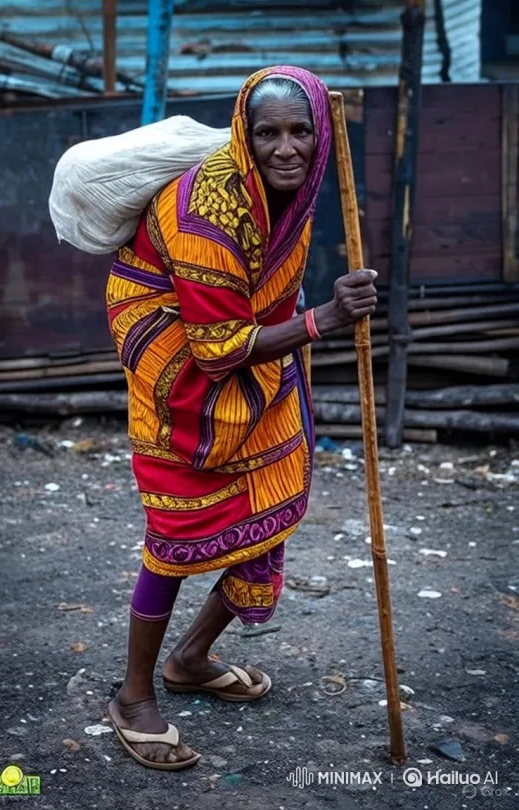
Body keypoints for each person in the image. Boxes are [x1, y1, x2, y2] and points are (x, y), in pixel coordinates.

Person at [106, 65, 377, 770]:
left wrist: (308, 319)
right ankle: (134, 695)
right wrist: (325, 319)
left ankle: (190, 658)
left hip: (251, 338)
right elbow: (216, 349)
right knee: (177, 525)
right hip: (179, 360)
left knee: (275, 486)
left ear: (320, 135)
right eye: (268, 134)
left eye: (300, 131)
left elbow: (261, 297)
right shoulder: (205, 210)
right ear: (242, 136)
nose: (286, 148)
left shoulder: (299, 188)